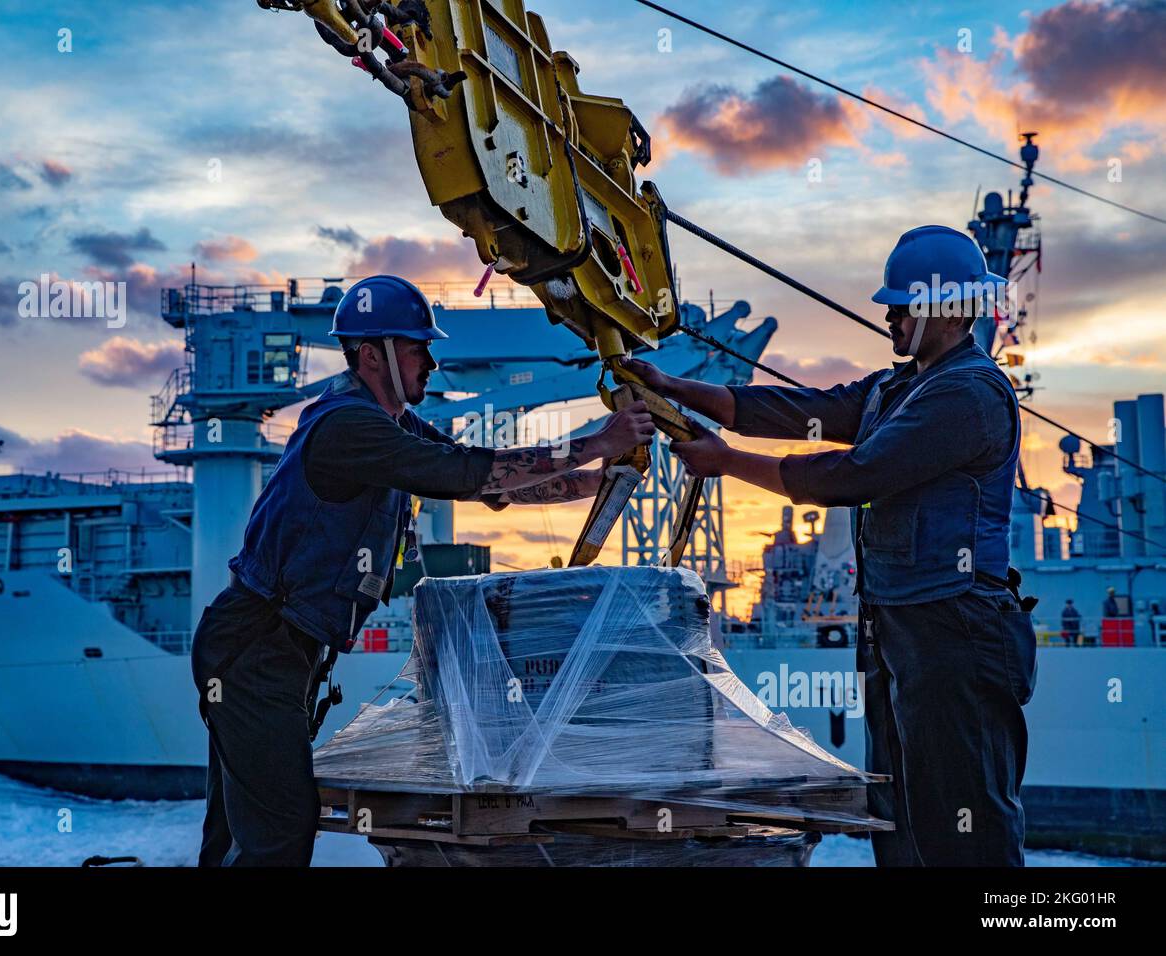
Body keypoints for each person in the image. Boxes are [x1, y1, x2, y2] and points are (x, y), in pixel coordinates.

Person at [190, 274, 655, 866]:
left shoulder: (388, 426)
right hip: (257, 648)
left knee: (237, 828)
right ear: (372, 355)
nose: (431, 362)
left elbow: (484, 480)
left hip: (271, 650)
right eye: (418, 347)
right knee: (281, 824)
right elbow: (468, 473)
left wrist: (595, 481)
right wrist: (594, 442)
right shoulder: (346, 427)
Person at [624, 225, 1037, 866]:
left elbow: (855, 475)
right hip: (902, 629)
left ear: (942, 310)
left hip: (956, 632)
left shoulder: (968, 396)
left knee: (966, 827)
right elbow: (807, 409)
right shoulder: (899, 389)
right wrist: (682, 390)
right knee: (898, 820)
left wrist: (728, 462)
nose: (889, 314)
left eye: (901, 303)